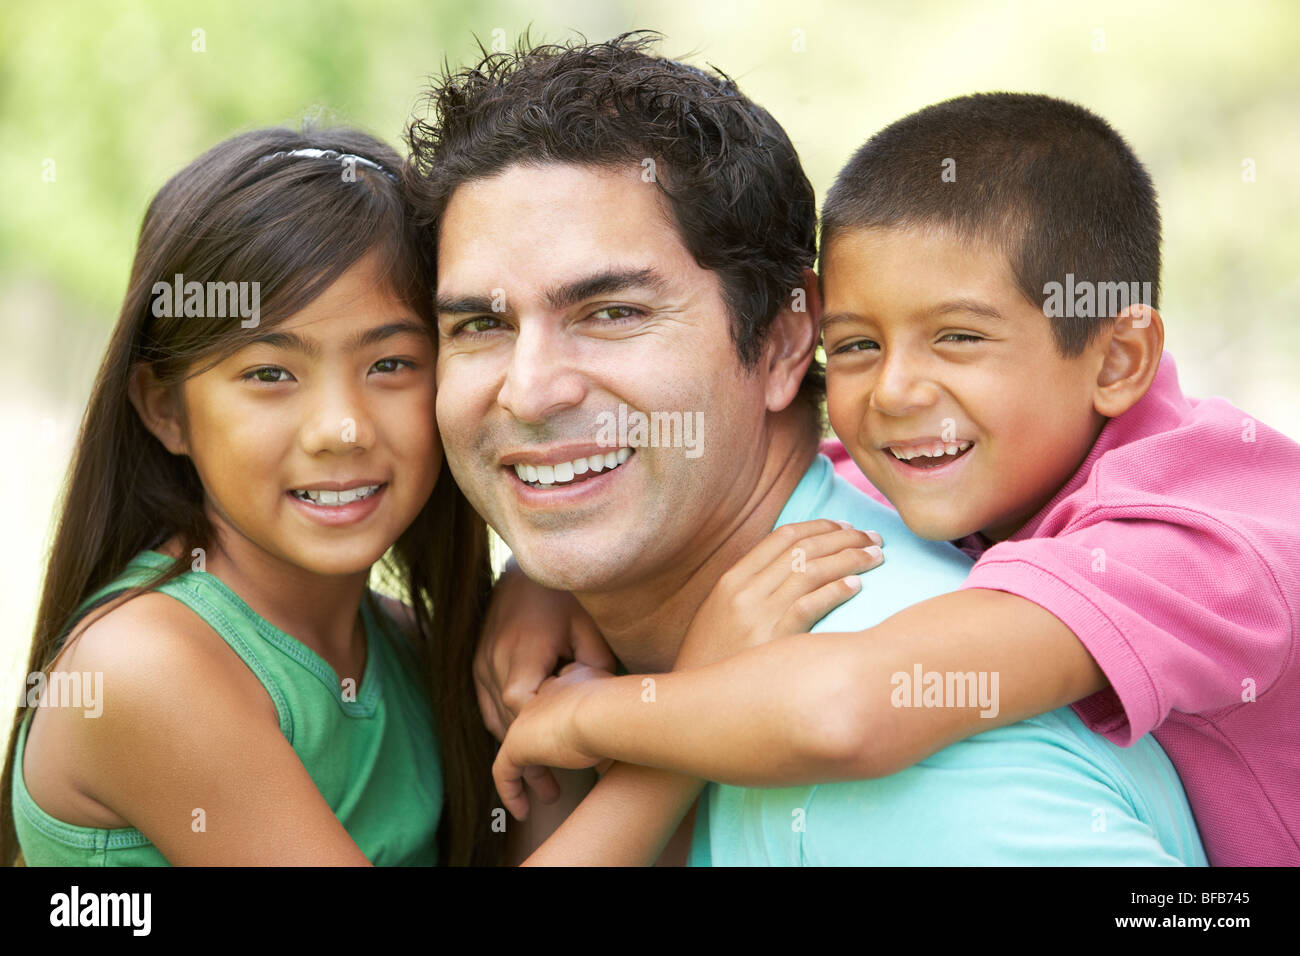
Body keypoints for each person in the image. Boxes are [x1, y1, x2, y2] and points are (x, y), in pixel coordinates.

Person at [413, 33, 1207, 865]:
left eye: (613, 313)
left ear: (788, 339)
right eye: (479, 325)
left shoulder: (920, 741)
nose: (530, 391)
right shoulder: (574, 646)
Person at [1, 127, 503, 866]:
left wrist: (542, 595)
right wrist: (657, 757)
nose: (342, 429)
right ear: (165, 410)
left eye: (391, 363)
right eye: (270, 374)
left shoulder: (411, 646)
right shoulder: (144, 669)